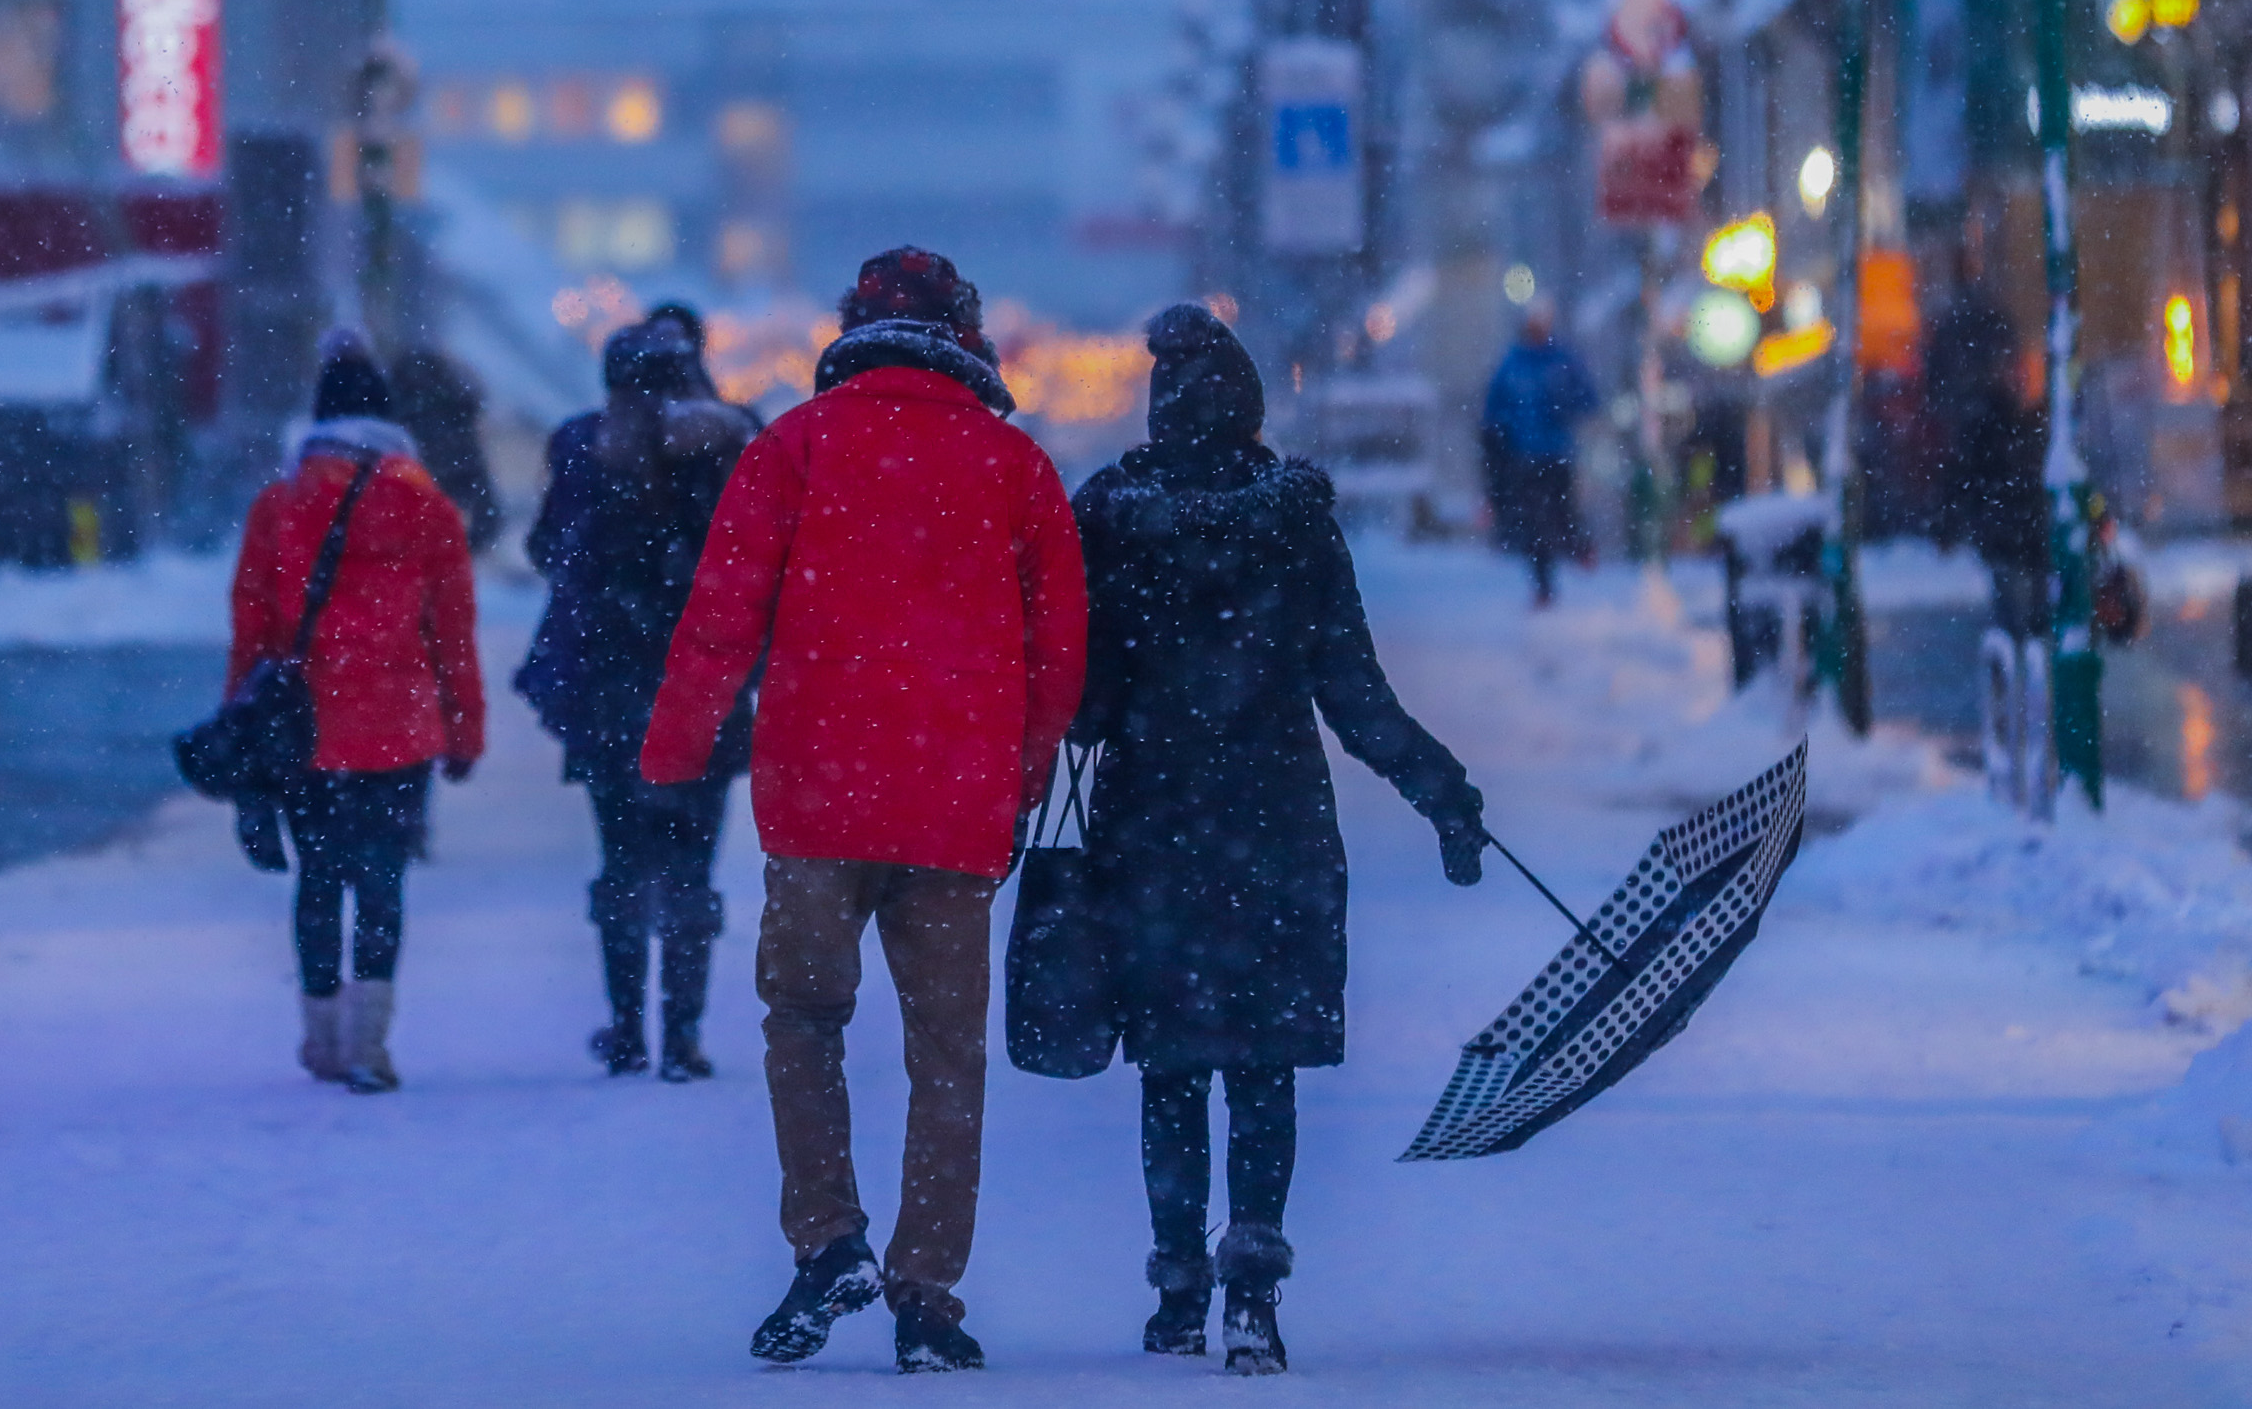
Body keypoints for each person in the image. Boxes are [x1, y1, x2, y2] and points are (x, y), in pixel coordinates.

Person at [645, 246, 1085, 1377]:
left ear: (853, 329)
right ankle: (925, 1292)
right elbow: (1060, 648)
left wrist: (677, 747)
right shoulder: (1013, 463)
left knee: (803, 1018)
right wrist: (1025, 771)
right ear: (964, 334)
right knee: (947, 1052)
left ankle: (827, 1238)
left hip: (817, 795)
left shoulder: (795, 446)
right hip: (955, 803)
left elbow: (721, 611)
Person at [1074, 304, 1493, 1375]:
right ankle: (1252, 1295)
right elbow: (1354, 693)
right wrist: (1443, 795)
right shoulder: (1295, 522)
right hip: (1275, 830)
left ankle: (1177, 1290)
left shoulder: (1115, 524)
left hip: (1154, 831)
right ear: (1249, 411)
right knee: (1264, 1067)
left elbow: (1084, 707)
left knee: (1170, 1068)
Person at [227, 335, 483, 1094]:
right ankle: (370, 1040)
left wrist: (242, 724)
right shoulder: (428, 507)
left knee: (318, 877)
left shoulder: (279, 506)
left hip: (305, 728)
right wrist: (464, 727)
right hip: (400, 727)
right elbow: (452, 631)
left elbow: (252, 631)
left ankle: (323, 1036)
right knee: (381, 880)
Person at [517, 323, 754, 1077]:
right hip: (702, 690)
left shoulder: (584, 448)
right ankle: (683, 1035)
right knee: (691, 866)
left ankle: (626, 1027)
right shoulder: (733, 447)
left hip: (610, 693)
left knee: (621, 862)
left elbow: (548, 550)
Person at [1924, 277, 2049, 642]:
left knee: (2024, 615)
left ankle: (2022, 655)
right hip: (2013, 536)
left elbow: (1961, 474)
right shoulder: (2004, 422)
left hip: (2018, 536)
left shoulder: (2011, 422)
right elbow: (1962, 474)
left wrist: (1948, 523)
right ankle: (2023, 655)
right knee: (2022, 616)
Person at [1477, 312, 1597, 606]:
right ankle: (1545, 584)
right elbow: (1493, 409)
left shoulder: (1561, 360)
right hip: (1525, 455)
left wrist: (1564, 405)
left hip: (1557, 453)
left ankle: (1580, 551)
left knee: (1561, 511)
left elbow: (1588, 399)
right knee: (1534, 522)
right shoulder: (1513, 363)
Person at [389, 344, 507, 553]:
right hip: (456, 470)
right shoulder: (457, 406)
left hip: (414, 479)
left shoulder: (397, 406)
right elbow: (487, 514)